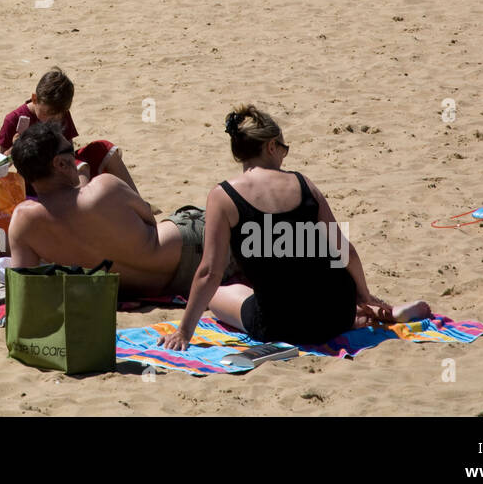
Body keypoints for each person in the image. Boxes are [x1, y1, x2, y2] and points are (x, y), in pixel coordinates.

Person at [158, 106, 432, 350]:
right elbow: (344, 250)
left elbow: (209, 272)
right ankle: (369, 312)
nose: (285, 156)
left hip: (283, 323)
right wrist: (364, 293)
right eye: (284, 149)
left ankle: (359, 314)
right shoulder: (303, 183)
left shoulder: (223, 195)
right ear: (270, 147)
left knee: (220, 292)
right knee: (310, 284)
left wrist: (184, 331)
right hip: (335, 311)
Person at [7, 122, 222, 297]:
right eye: (71, 152)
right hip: (194, 256)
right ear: (60, 164)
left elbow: (24, 289)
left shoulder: (23, 222)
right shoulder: (104, 188)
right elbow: (149, 219)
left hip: (130, 291)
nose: (75, 158)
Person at [0, 66, 137, 191]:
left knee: (104, 149)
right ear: (34, 99)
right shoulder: (13, 119)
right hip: (37, 178)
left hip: (63, 167)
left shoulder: (61, 113)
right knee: (78, 167)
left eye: (58, 116)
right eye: (47, 114)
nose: (51, 120)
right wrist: (13, 151)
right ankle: (81, 211)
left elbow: (69, 150)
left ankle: (138, 203)